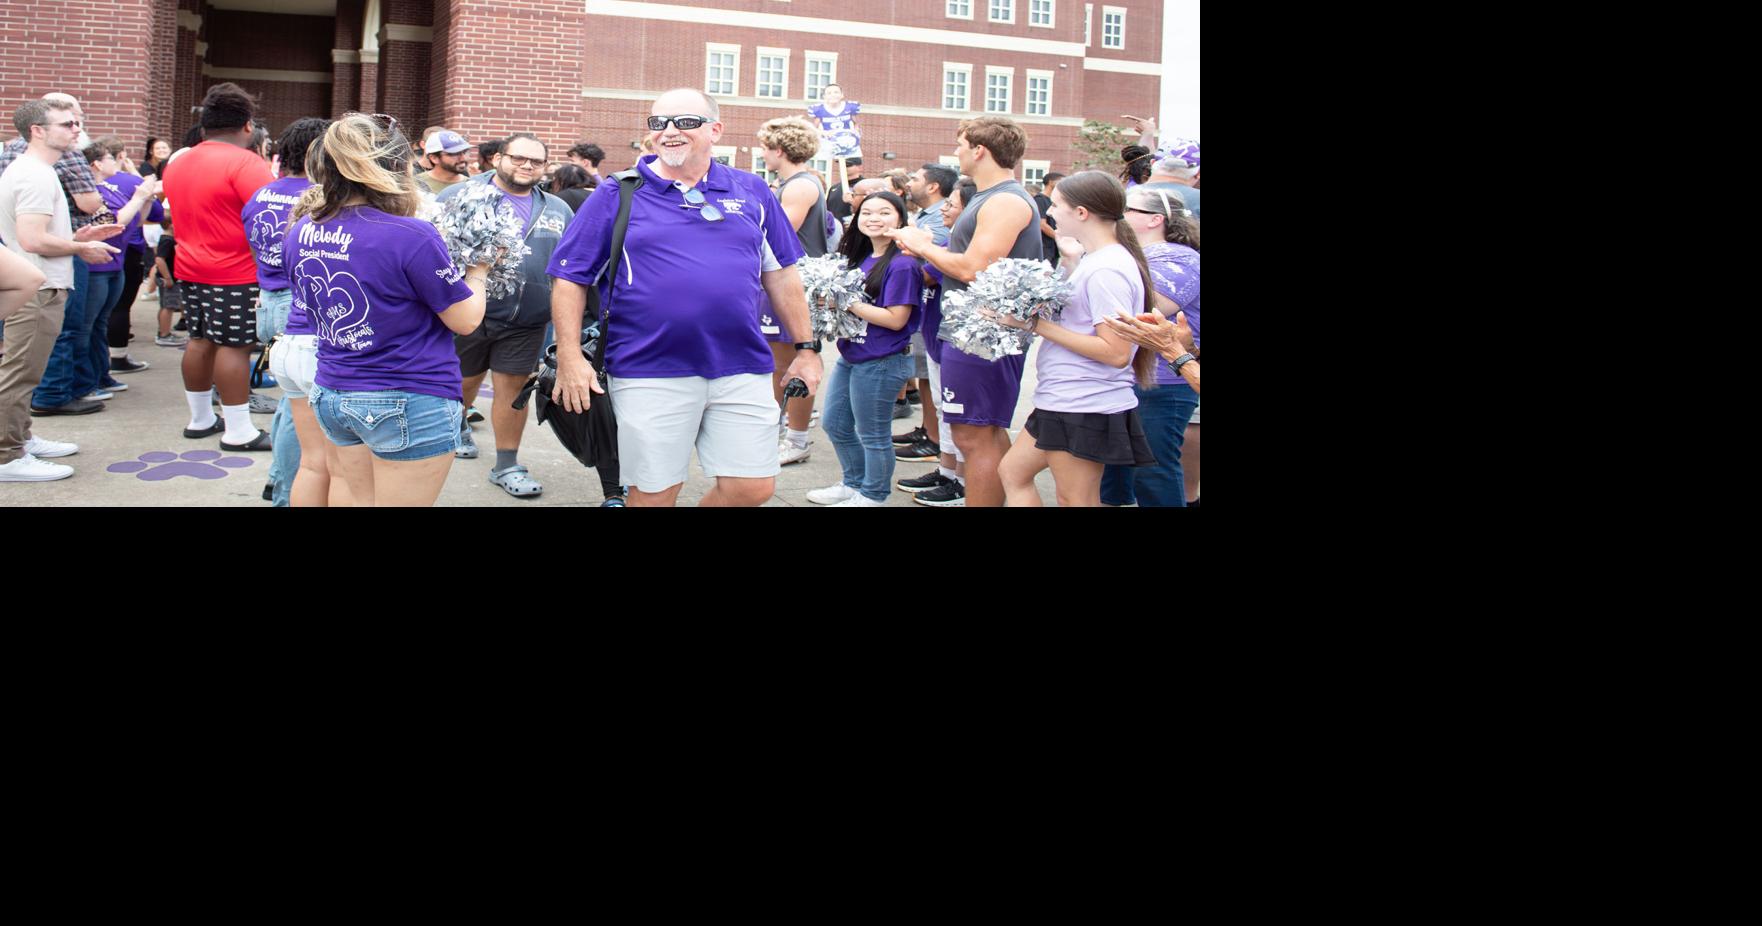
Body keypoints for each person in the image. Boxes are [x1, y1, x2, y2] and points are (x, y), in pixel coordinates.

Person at [547, 87, 818, 507]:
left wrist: (806, 347)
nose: (669, 131)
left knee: (753, 487)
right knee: (653, 494)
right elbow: (570, 278)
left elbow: (782, 275)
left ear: (716, 129)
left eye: (685, 122)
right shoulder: (618, 193)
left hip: (741, 365)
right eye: (659, 123)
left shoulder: (752, 191)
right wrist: (569, 356)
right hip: (648, 367)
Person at [289, 113, 490, 506]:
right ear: (396, 168)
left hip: (333, 389)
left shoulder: (304, 228)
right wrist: (479, 273)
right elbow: (465, 320)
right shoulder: (409, 234)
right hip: (406, 393)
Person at [885, 116, 1042, 508]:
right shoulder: (993, 196)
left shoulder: (1005, 199)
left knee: (974, 436)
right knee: (980, 433)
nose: (956, 152)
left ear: (979, 150)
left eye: (960, 144)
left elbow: (975, 268)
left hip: (983, 335)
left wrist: (922, 244)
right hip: (971, 332)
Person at [994, 170, 1157, 507]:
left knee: (1076, 499)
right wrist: (1070, 262)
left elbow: (1115, 352)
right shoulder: (1097, 260)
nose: (1049, 213)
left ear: (1081, 213)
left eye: (1055, 205)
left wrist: (1032, 324)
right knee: (1013, 473)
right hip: (1066, 398)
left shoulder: (1107, 269)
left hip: (1084, 402)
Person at [440, 132, 573, 499]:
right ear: (498, 158)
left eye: (536, 161)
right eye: (518, 158)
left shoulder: (557, 209)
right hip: (467, 313)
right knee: (463, 382)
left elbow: (570, 262)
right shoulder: (460, 195)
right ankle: (459, 425)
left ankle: (506, 464)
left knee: (513, 392)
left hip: (526, 321)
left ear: (545, 167)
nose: (527, 166)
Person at [0, 99, 122, 482]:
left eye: (76, 123)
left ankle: (21, 439)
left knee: (28, 372)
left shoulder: (39, 170)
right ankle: (7, 455)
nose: (76, 130)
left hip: (42, 281)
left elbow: (33, 237)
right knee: (19, 374)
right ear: (38, 130)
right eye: (68, 124)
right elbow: (32, 240)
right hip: (37, 286)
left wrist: (75, 236)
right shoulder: (34, 174)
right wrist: (81, 247)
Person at [161, 82, 277, 452]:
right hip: (235, 272)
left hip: (190, 266)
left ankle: (200, 419)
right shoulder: (246, 163)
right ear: (247, 126)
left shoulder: (179, 162)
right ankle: (239, 430)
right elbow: (268, 220)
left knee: (198, 342)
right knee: (235, 347)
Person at [807, 190, 922, 507]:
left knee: (873, 434)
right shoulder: (859, 257)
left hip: (882, 360)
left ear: (900, 218)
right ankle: (853, 483)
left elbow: (896, 319)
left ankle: (873, 494)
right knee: (835, 423)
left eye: (884, 212)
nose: (874, 218)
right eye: (866, 212)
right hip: (853, 355)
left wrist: (847, 302)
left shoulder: (902, 265)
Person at [1090, 185, 1200, 507]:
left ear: (1155, 219)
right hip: (1135, 375)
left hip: (1165, 380)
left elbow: (1145, 313)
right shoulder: (1128, 255)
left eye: (1127, 209)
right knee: (1117, 466)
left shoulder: (1179, 257)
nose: (1117, 215)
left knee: (1152, 469)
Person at [245, 117, 328, 507]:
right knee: (303, 415)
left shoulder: (261, 194)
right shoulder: (319, 199)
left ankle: (279, 478)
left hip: (268, 299)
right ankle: (286, 493)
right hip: (298, 308)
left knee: (289, 400)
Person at [754, 114, 828, 467]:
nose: (763, 155)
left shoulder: (800, 185)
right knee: (777, 363)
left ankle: (797, 438)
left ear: (779, 149)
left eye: (765, 148)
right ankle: (784, 430)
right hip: (781, 281)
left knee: (794, 361)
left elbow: (777, 234)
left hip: (794, 283)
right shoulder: (791, 184)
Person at [895, 177, 974, 505]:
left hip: (949, 336)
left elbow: (926, 272)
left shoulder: (957, 245)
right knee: (943, 408)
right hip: (934, 332)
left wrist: (919, 247)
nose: (946, 209)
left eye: (952, 205)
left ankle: (959, 480)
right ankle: (946, 471)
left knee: (953, 410)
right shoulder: (947, 242)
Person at [80, 139, 160, 402]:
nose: (116, 163)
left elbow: (136, 220)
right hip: (96, 266)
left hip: (116, 263)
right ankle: (86, 382)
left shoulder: (111, 188)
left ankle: (102, 375)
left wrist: (145, 199)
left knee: (101, 323)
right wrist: (138, 196)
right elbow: (114, 222)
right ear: (97, 164)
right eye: (110, 159)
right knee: (87, 326)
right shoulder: (93, 191)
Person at [416, 129, 470, 195]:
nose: (463, 158)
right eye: (454, 153)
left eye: (465, 152)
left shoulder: (472, 185)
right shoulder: (414, 185)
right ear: (434, 158)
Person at [1036, 171, 1064, 267]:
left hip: (1053, 248)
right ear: (1051, 182)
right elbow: (1042, 224)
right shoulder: (1040, 199)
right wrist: (1059, 238)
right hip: (1045, 248)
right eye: (1060, 181)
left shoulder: (1052, 200)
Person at [825, 156, 863, 226]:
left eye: (847, 165)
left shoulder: (864, 186)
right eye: (841, 164)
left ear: (859, 167)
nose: (843, 167)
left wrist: (852, 201)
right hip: (834, 229)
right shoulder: (834, 188)